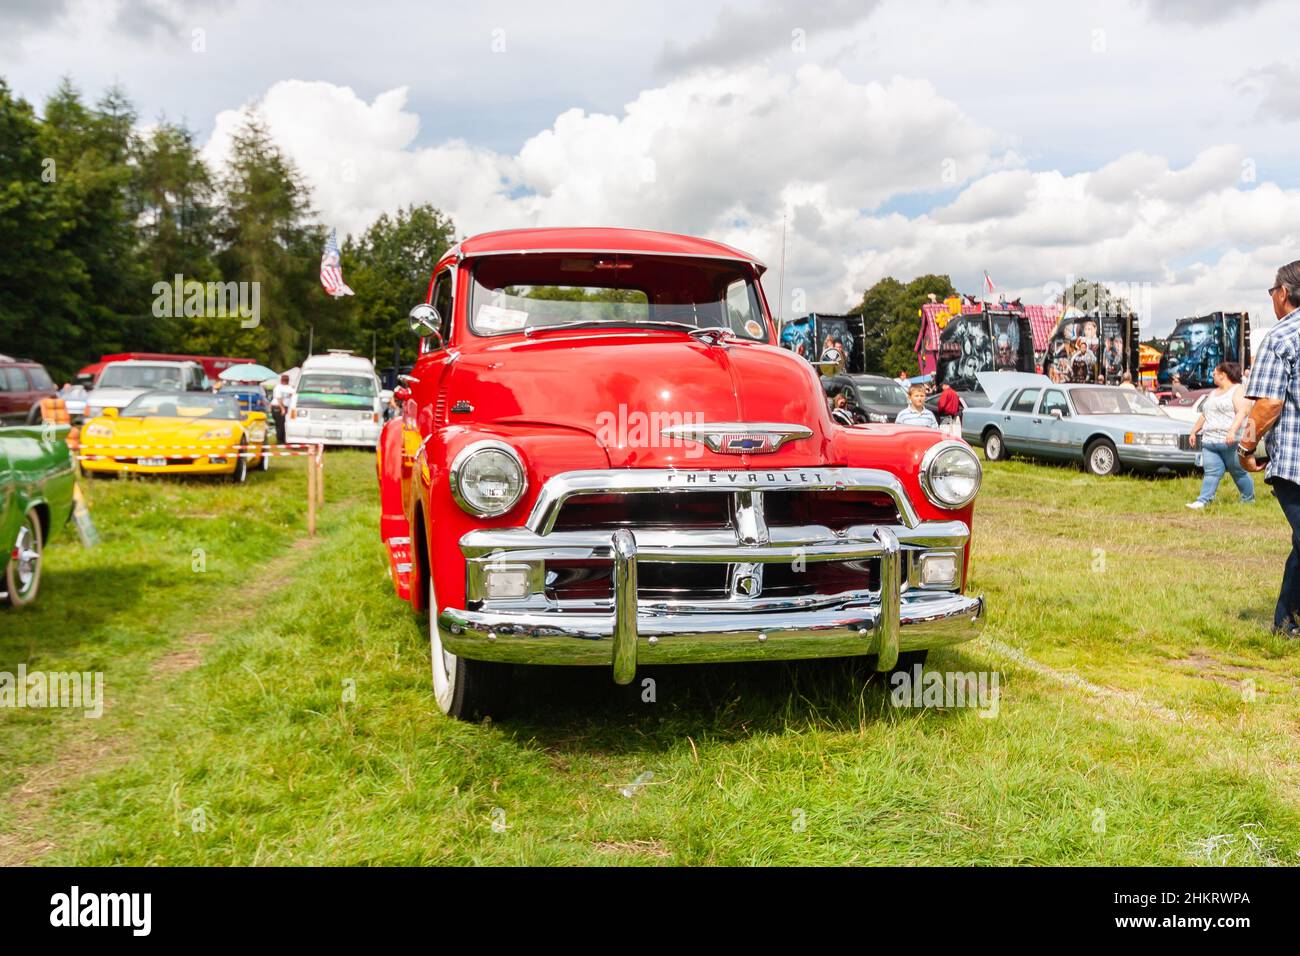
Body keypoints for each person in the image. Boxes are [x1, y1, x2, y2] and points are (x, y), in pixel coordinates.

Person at [1239, 261, 1300, 636]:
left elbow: (1269, 404)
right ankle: (1285, 619)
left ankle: (1284, 618)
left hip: (1294, 463)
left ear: (1283, 293)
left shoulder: (1281, 337)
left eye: (1271, 291)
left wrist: (1246, 447)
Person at [1186, 362, 1254, 509]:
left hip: (1231, 441)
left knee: (1239, 472)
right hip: (1210, 442)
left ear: (1223, 375)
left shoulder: (1237, 390)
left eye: (1215, 372)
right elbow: (1205, 414)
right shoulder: (1213, 393)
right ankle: (1203, 501)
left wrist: (1232, 431)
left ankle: (1248, 499)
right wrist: (1194, 431)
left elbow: (1242, 412)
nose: (1213, 375)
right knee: (1211, 473)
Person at [271, 373, 293, 444]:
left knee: (283, 425)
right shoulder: (278, 387)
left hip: (285, 407)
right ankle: (280, 441)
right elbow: (278, 398)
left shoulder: (290, 388)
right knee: (280, 425)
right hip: (278, 407)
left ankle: (283, 440)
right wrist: (282, 409)